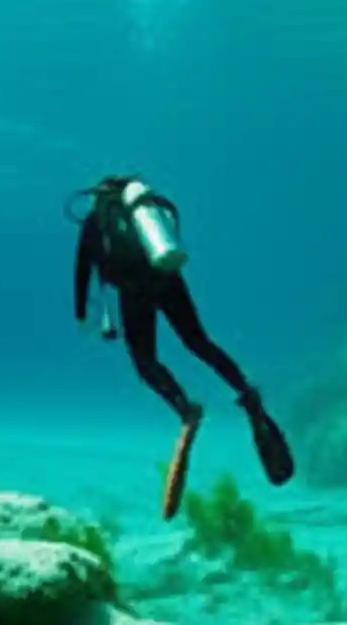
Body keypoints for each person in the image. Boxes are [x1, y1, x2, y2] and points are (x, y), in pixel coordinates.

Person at [69, 174, 294, 518]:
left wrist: (81, 312)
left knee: (145, 362)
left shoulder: (96, 220)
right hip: (168, 280)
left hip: (134, 293)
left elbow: (83, 269)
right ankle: (247, 394)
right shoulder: (148, 210)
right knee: (199, 343)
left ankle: (185, 409)